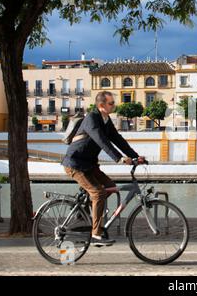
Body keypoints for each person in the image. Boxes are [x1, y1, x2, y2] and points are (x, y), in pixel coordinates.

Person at [62, 91, 146, 246]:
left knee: (110, 187)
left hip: (90, 164)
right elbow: (101, 141)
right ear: (101, 105)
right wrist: (119, 158)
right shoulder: (92, 119)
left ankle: (86, 212)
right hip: (75, 164)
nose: (114, 105)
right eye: (111, 103)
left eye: (113, 102)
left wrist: (135, 156)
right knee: (99, 193)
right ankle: (95, 234)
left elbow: (118, 140)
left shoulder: (106, 120)